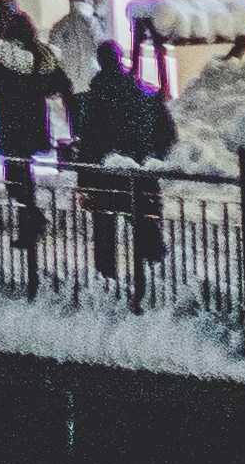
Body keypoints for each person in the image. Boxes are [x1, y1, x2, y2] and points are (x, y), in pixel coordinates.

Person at [73, 23, 176, 280]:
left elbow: (86, 143)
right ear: (121, 61)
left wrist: (83, 180)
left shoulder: (89, 101)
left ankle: (107, 281)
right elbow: (168, 134)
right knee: (145, 226)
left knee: (104, 230)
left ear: (99, 63)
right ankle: (154, 279)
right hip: (138, 174)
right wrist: (152, 157)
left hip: (103, 176)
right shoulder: (143, 94)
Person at [0, 2, 61, 236]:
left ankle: (31, 223)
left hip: (11, 120)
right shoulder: (40, 55)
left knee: (16, 177)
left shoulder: (1, 57)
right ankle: (31, 222)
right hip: (33, 121)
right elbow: (56, 84)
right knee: (23, 173)